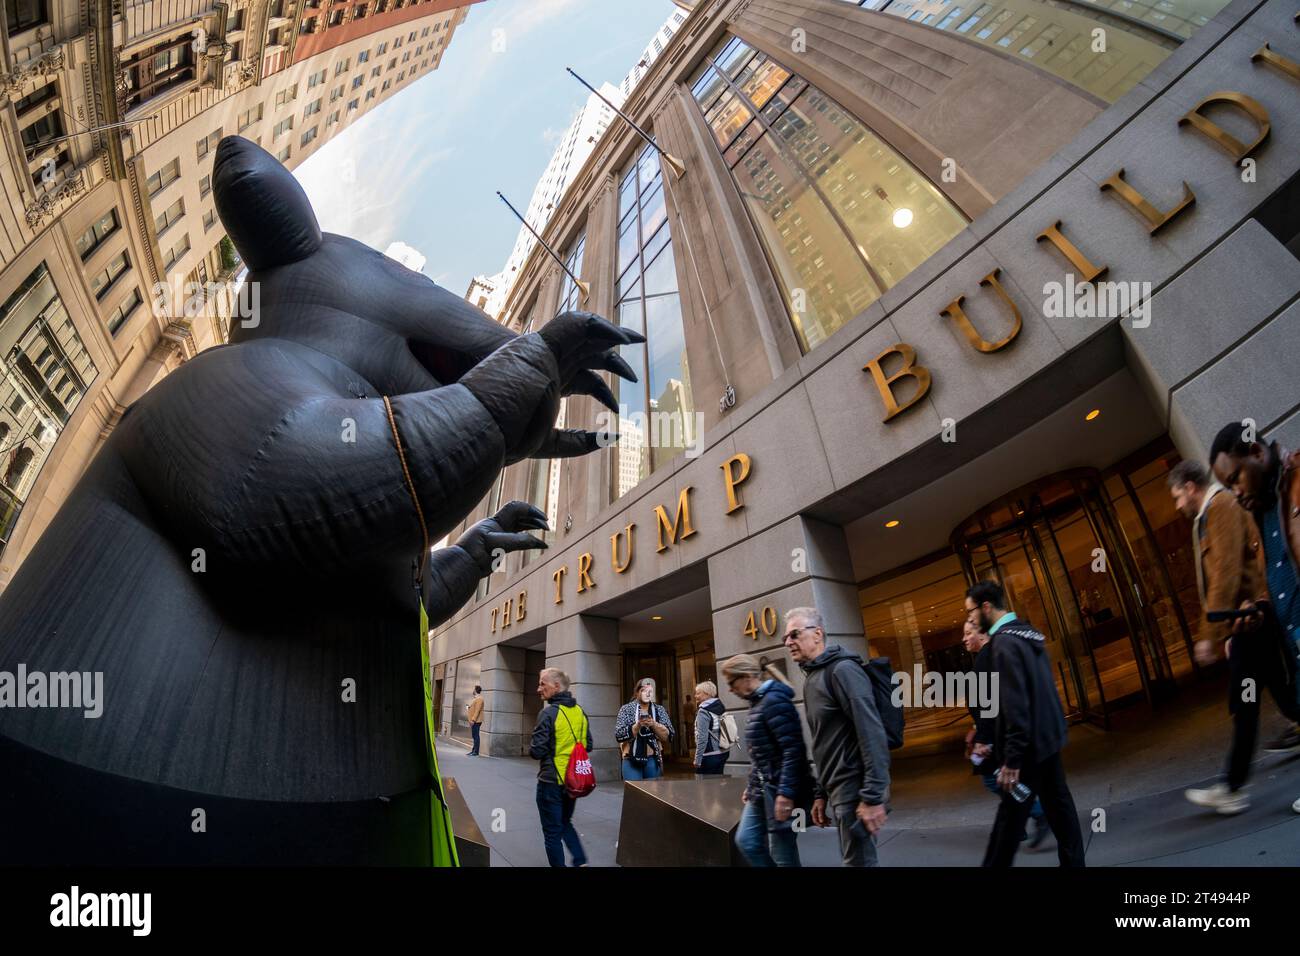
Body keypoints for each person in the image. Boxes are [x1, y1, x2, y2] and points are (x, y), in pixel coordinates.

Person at [1169, 459, 1298, 814]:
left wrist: (1210, 634)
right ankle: (1234, 783)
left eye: (1178, 496)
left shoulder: (1221, 506)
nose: (1178, 504)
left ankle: (1232, 787)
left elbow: (1226, 572)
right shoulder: (1212, 513)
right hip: (1246, 624)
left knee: (1246, 706)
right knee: (1283, 694)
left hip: (1250, 624)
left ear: (1191, 487)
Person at [1210, 425, 1300, 816]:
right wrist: (1255, 612)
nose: (1236, 491)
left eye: (1235, 478)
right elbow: (1277, 583)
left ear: (1257, 453)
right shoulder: (1261, 515)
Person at [965, 581, 1086, 867]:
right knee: (1060, 809)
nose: (970, 619)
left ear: (986, 607)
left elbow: (1015, 705)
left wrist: (1013, 760)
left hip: (1028, 752)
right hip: (1048, 741)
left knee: (1008, 824)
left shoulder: (1003, 644)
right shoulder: (1027, 632)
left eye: (971, 612)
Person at [784, 607, 890, 867]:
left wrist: (873, 796)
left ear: (817, 634)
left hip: (856, 790)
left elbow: (871, 732)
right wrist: (821, 793)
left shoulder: (842, 671)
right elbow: (824, 743)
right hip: (839, 791)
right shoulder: (812, 679)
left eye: (794, 634)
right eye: (785, 637)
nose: (788, 642)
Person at [963, 618, 1048, 847]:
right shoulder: (988, 656)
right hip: (994, 731)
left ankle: (1037, 813)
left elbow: (991, 704)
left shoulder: (986, 659)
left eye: (968, 633)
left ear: (981, 634)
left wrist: (982, 737)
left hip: (995, 734)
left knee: (996, 780)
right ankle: (1019, 823)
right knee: (1000, 779)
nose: (964, 639)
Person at [723, 654, 812, 867]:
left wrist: (785, 794)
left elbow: (793, 751)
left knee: (783, 852)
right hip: (762, 791)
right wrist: (752, 785)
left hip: (780, 791)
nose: (730, 689)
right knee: (746, 840)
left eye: (731, 682)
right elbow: (760, 754)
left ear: (745, 676)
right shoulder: (758, 703)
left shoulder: (774, 701)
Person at [529, 668, 592, 867]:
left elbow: (536, 752)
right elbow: (588, 745)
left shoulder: (548, 714)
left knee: (552, 833)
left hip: (550, 782)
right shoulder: (580, 712)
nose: (539, 689)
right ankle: (581, 861)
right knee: (565, 822)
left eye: (542, 684)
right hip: (573, 782)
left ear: (556, 686)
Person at [614, 678, 675, 781]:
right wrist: (637, 726)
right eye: (643, 690)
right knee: (634, 792)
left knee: (654, 793)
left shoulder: (659, 709)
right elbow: (619, 734)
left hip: (652, 758)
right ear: (637, 692)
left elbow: (669, 735)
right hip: (631, 757)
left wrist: (654, 724)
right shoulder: (626, 709)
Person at [693, 681, 731, 775]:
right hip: (723, 752)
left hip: (709, 755)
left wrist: (698, 759)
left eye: (698, 693)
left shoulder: (703, 711)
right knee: (718, 783)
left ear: (707, 694)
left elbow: (702, 738)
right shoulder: (720, 707)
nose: (695, 696)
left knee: (706, 787)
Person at [466, 685, 484, 757]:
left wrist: (473, 720)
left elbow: (477, 710)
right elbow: (473, 708)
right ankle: (473, 751)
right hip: (474, 720)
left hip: (476, 721)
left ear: (476, 690)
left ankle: (476, 752)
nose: (473, 691)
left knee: (476, 736)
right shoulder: (476, 698)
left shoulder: (479, 699)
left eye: (474, 689)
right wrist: (468, 707)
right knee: (474, 736)